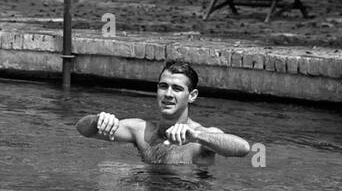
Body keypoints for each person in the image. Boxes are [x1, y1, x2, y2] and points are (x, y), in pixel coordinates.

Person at [75, 60, 251, 165]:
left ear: (192, 96)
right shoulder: (141, 131)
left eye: (177, 89)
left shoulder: (201, 137)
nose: (168, 94)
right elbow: (82, 129)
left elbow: (243, 148)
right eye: (163, 86)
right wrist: (97, 119)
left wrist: (196, 136)